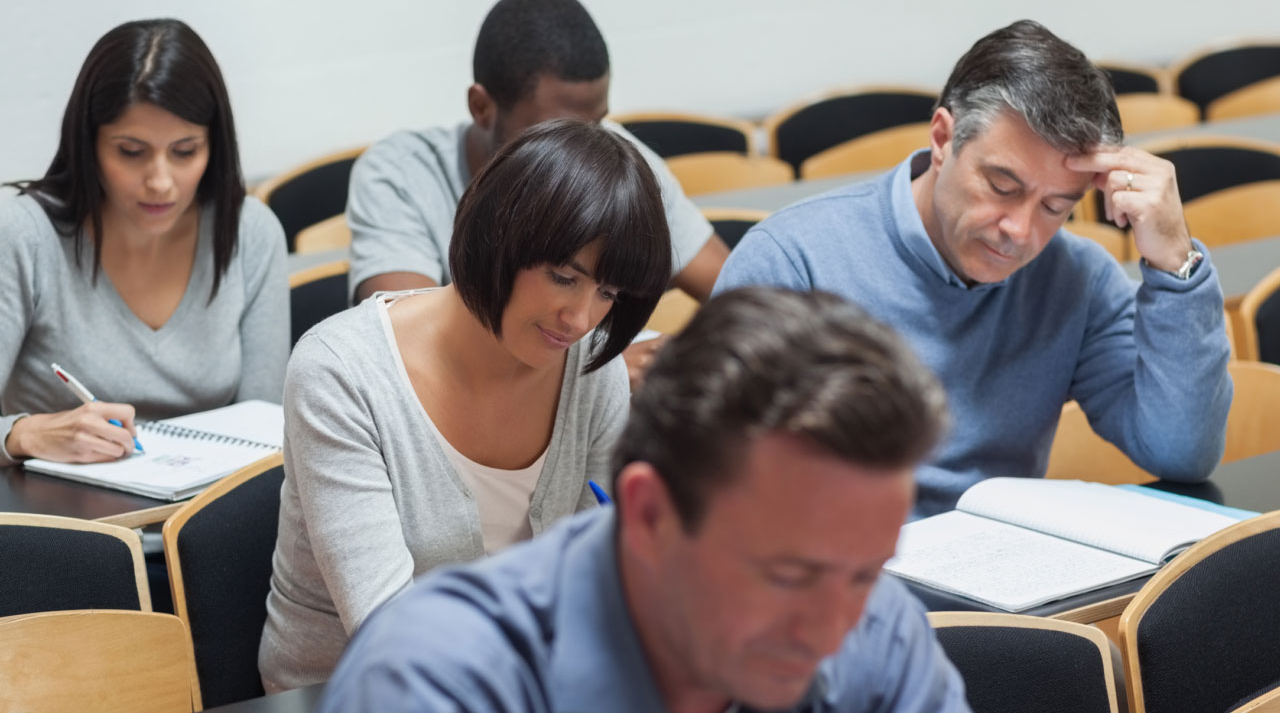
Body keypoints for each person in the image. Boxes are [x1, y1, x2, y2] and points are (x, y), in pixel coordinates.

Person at [317, 287, 967, 713]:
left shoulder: (877, 630)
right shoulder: (436, 681)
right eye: (787, 576)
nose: (830, 631)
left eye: (864, 573)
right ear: (652, 515)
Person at [713, 20, 1232, 517]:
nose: (1021, 231)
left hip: (1007, 591)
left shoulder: (1077, 277)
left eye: (1056, 207)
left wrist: (1173, 261)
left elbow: (1180, 451)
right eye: (1003, 186)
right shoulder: (792, 262)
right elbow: (725, 484)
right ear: (943, 139)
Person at [259, 119, 672, 692]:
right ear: (497, 236)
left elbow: (609, 582)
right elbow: (390, 633)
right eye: (562, 277)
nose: (579, 320)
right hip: (349, 692)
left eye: (607, 293)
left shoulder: (592, 367)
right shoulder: (341, 372)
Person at [346, 0, 729, 385]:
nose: (583, 145)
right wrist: (600, 374)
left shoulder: (619, 159)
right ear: (482, 107)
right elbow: (411, 342)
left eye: (597, 123)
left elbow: (737, 289)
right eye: (553, 130)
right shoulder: (399, 174)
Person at [0, 19, 289, 466]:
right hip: (64, 525)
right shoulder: (23, 235)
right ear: (89, 143)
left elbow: (268, 435)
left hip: (207, 520)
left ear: (214, 147)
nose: (160, 182)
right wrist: (24, 433)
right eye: (131, 152)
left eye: (185, 151)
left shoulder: (250, 232)